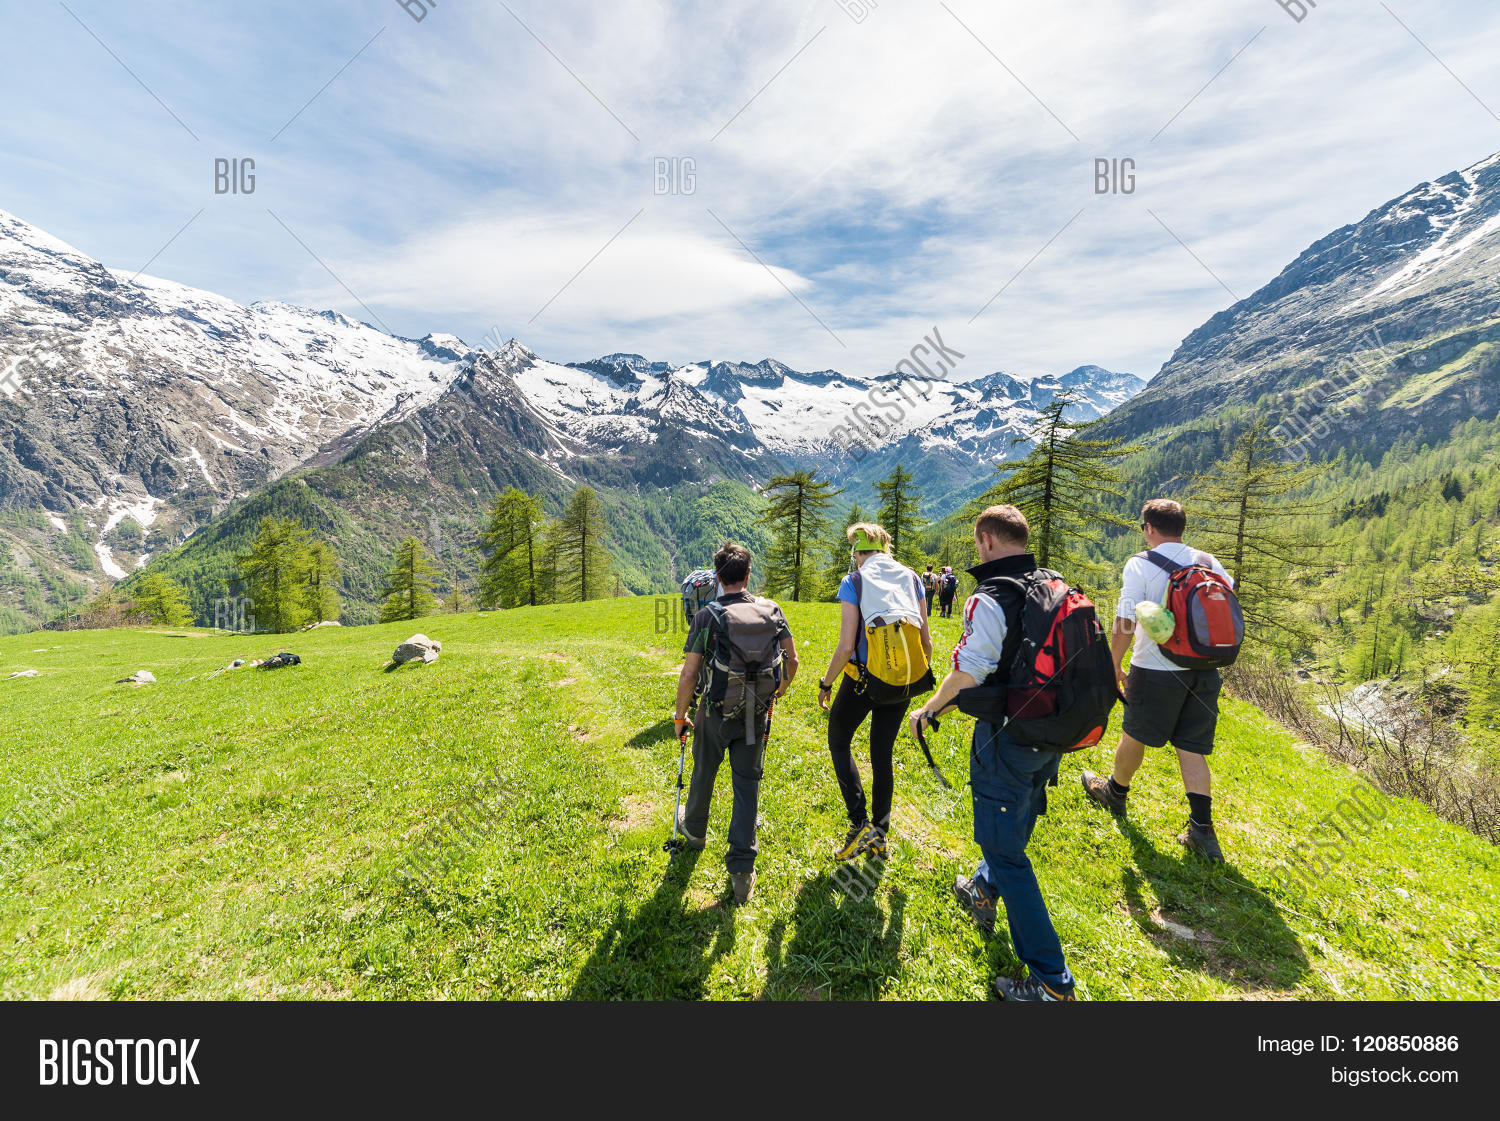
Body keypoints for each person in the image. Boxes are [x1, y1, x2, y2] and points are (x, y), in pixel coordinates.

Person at [908, 505, 1076, 1002]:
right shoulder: (1053, 585)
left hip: (1008, 735)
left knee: (1006, 849)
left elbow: (970, 670)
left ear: (985, 540)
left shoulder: (991, 597)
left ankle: (1051, 980)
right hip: (1052, 731)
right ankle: (982, 891)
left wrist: (931, 709)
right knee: (1016, 819)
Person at [1081, 499, 1231, 861]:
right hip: (1205, 668)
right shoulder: (1209, 562)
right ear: (1181, 528)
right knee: (1191, 747)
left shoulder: (1141, 564)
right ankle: (1202, 831)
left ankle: (1115, 793)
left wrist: (1113, 664)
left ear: (1149, 527)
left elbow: (1125, 620)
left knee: (1135, 733)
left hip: (1156, 668)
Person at [673, 541, 799, 902]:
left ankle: (695, 831)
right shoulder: (772, 610)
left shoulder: (706, 616)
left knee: (703, 771)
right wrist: (779, 692)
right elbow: (792, 661)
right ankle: (742, 871)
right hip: (754, 716)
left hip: (714, 712)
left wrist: (680, 716)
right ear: (747, 575)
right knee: (747, 785)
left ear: (717, 577)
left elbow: (689, 673)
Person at [817, 523, 933, 863]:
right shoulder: (912, 578)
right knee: (881, 754)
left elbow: (844, 647)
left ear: (858, 554)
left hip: (864, 681)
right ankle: (879, 835)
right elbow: (926, 642)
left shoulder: (854, 581)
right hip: (905, 679)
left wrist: (826, 683)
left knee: (839, 739)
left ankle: (859, 825)